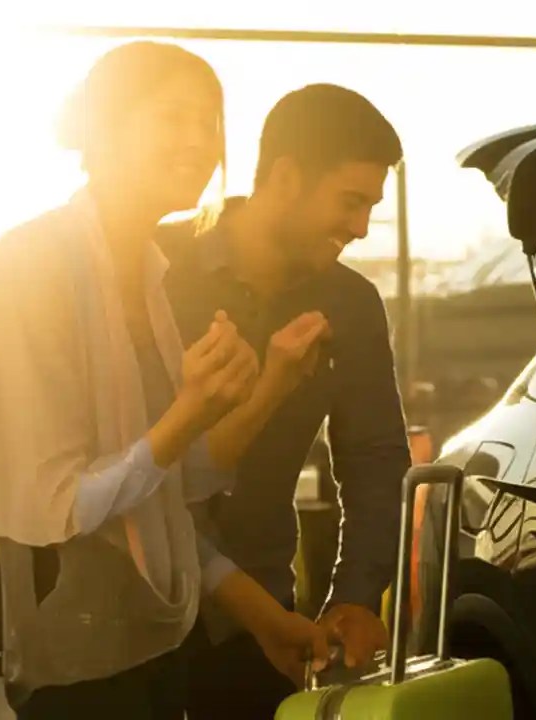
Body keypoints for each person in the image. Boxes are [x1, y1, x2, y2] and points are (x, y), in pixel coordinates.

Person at [0, 42, 323, 719]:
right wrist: (189, 411)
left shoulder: (149, 274)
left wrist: (266, 385)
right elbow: (59, 506)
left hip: (157, 643)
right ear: (104, 128)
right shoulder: (32, 267)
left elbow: (166, 492)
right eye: (172, 117)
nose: (199, 141)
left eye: (211, 121)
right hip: (79, 673)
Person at [161, 83, 411, 719]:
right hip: (132, 613)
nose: (359, 228)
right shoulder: (156, 268)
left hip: (263, 622)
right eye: (350, 201)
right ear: (286, 175)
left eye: (369, 209)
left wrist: (356, 594)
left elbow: (375, 458)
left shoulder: (351, 306)